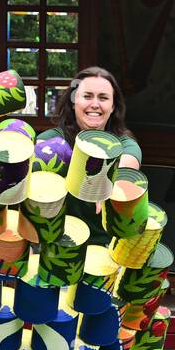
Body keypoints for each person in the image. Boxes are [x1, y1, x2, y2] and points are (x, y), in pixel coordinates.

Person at [36, 66, 142, 244]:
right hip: (55, 248)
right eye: (87, 96)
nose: (95, 104)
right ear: (73, 101)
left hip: (105, 251)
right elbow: (38, 155)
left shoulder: (125, 143)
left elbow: (127, 165)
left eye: (103, 98)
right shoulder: (53, 138)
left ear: (113, 105)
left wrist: (112, 182)